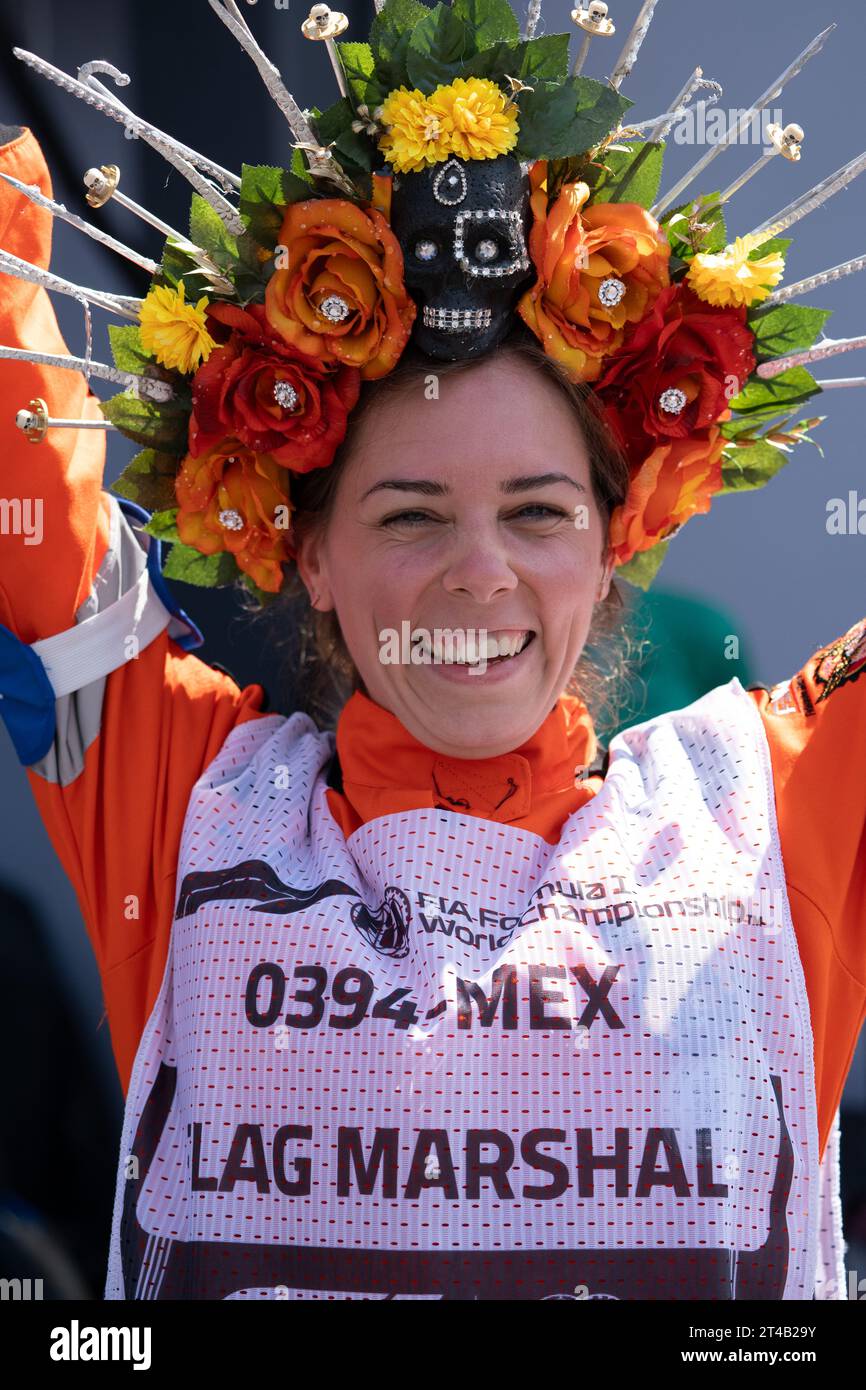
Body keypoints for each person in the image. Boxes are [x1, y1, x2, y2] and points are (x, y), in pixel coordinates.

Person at [0, 1, 864, 1301]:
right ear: (310, 550)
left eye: (537, 510)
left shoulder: (775, 807)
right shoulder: (178, 799)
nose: (480, 569)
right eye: (409, 513)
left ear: (612, 539)